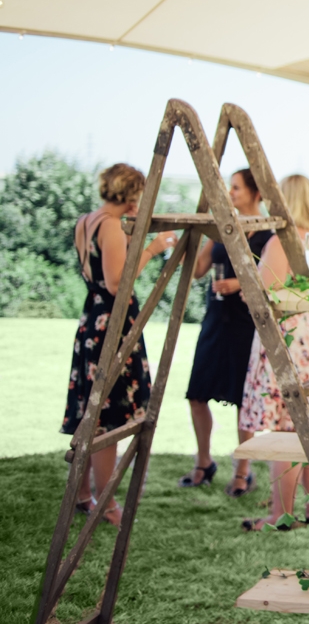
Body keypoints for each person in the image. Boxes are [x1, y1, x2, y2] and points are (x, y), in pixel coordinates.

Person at [65, 163, 177, 526]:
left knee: (89, 412)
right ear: (130, 193)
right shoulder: (110, 224)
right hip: (111, 324)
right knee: (108, 418)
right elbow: (117, 281)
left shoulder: (87, 220)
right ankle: (106, 503)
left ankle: (83, 495)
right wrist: (154, 248)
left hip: (92, 319)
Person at [239, 174, 309, 531]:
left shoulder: (280, 244)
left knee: (285, 431)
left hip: (286, 340)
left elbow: (266, 299)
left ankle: (281, 513)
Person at [179, 168, 272, 495]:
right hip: (215, 320)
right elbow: (197, 270)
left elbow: (275, 279)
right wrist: (192, 238)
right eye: (228, 187)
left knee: (241, 401)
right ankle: (204, 461)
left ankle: (242, 471)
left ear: (255, 192)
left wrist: (240, 282)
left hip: (246, 324)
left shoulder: (269, 233)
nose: (230, 192)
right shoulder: (222, 227)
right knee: (196, 393)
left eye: (236, 187)